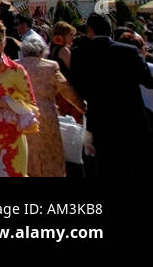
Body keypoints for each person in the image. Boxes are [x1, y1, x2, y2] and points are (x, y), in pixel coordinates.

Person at [68, 11, 153, 178]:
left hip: (100, 119)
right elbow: (148, 81)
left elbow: (77, 87)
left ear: (90, 31)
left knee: (107, 166)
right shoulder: (128, 51)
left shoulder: (80, 54)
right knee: (136, 165)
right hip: (132, 117)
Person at [18, 33, 84, 178]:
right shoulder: (51, 66)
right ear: (42, 50)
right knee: (50, 157)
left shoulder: (16, 65)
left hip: (23, 117)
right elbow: (67, 91)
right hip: (47, 116)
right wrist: (83, 109)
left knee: (27, 156)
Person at [0, 18, 39, 177]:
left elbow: (32, 106)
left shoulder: (16, 71)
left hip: (12, 139)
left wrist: (8, 103)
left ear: (5, 42)